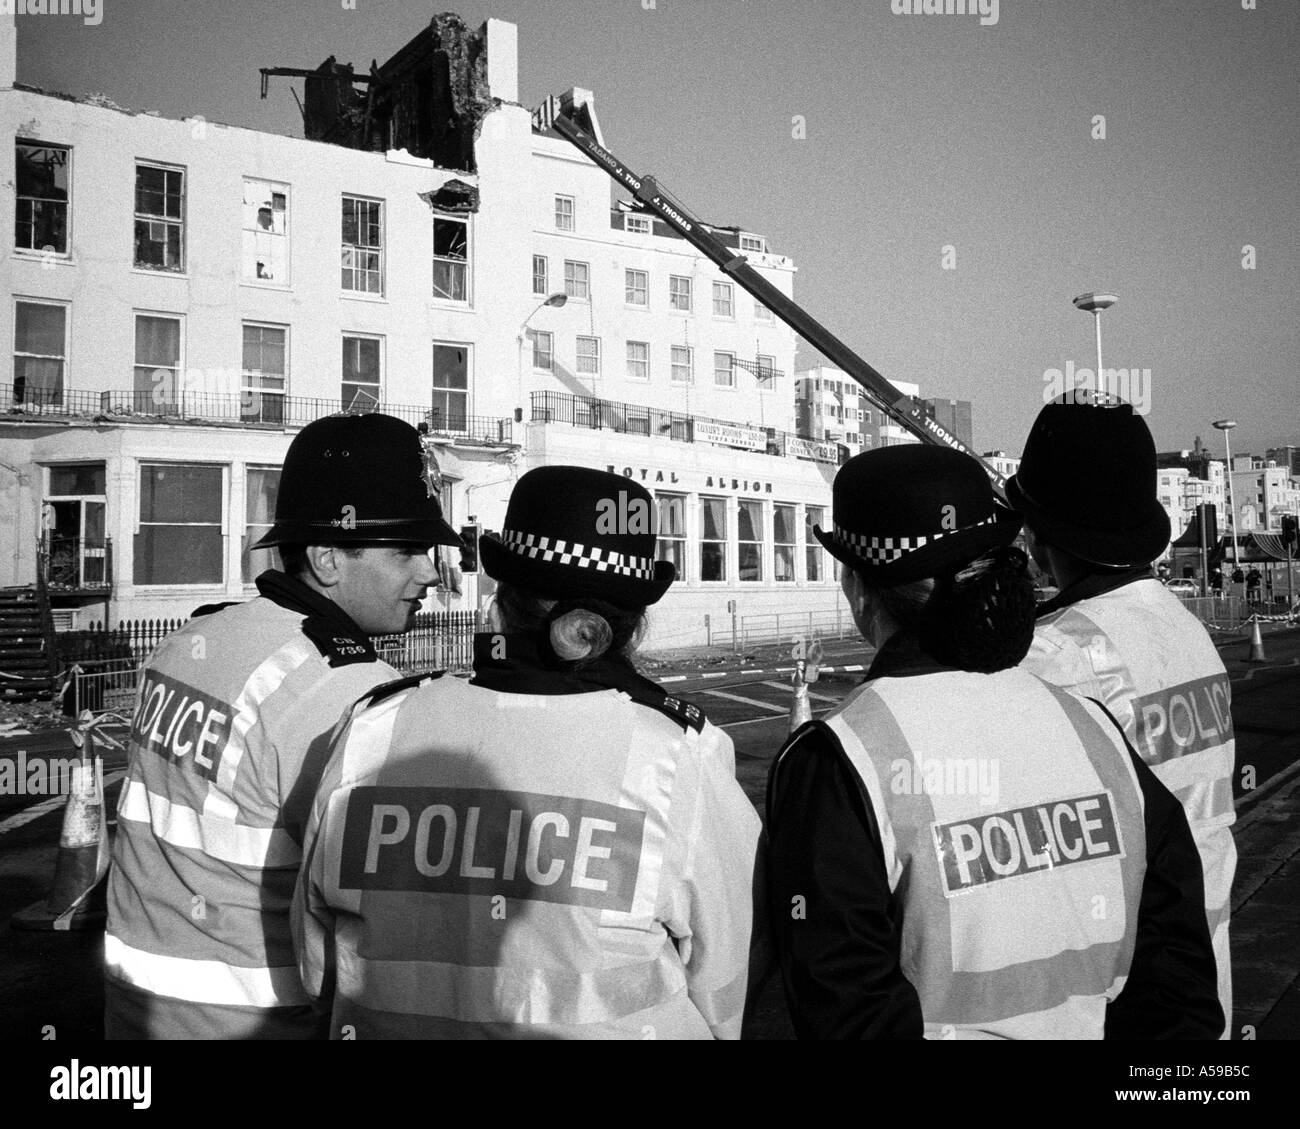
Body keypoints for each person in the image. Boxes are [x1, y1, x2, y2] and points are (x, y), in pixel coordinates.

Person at [766, 444, 1222, 1039]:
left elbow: (844, 1007)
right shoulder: (1092, 726)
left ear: (856, 587)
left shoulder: (837, 755)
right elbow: (1179, 982)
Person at [294, 467, 763, 1039]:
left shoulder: (374, 727)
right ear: (632, 627)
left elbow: (317, 966)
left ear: (500, 604)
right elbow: (731, 986)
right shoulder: (678, 755)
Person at [104, 413, 461, 1039]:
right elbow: (383, 923)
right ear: (326, 557)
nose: (429, 573)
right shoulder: (349, 694)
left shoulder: (193, 640)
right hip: (255, 1023)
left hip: (137, 1013)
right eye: (406, 550)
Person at [1006, 396, 1236, 1038]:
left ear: (1040, 532)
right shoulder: (1188, 631)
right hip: (1205, 971)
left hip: (1120, 991)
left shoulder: (1054, 655)